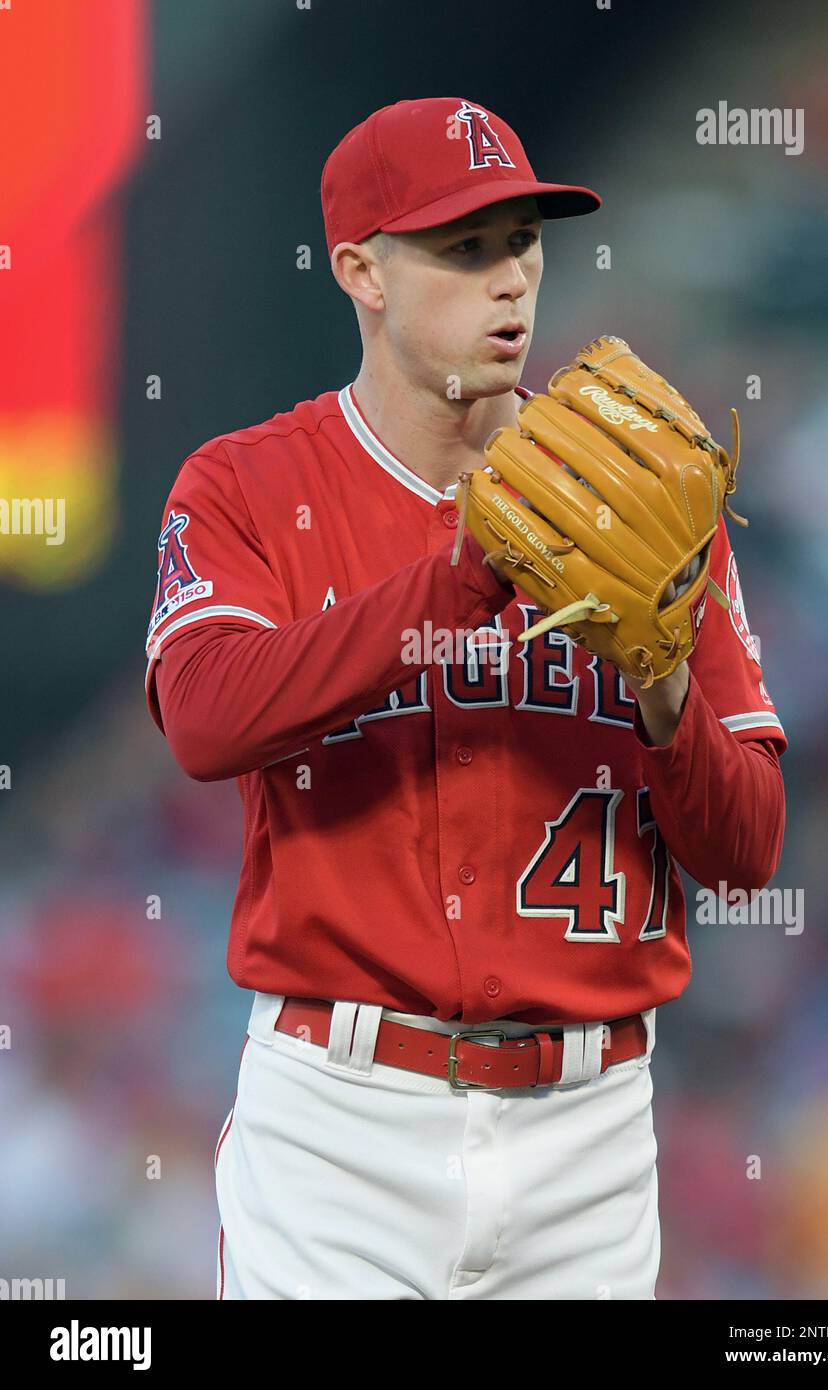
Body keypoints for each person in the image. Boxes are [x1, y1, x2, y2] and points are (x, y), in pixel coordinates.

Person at [145, 97, 786, 1301]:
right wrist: (458, 577)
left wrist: (657, 680)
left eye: (522, 243)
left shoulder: (641, 493)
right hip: (340, 1122)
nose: (509, 283)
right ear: (361, 272)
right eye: (464, 248)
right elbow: (205, 716)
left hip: (587, 1137)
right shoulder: (247, 484)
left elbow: (746, 850)